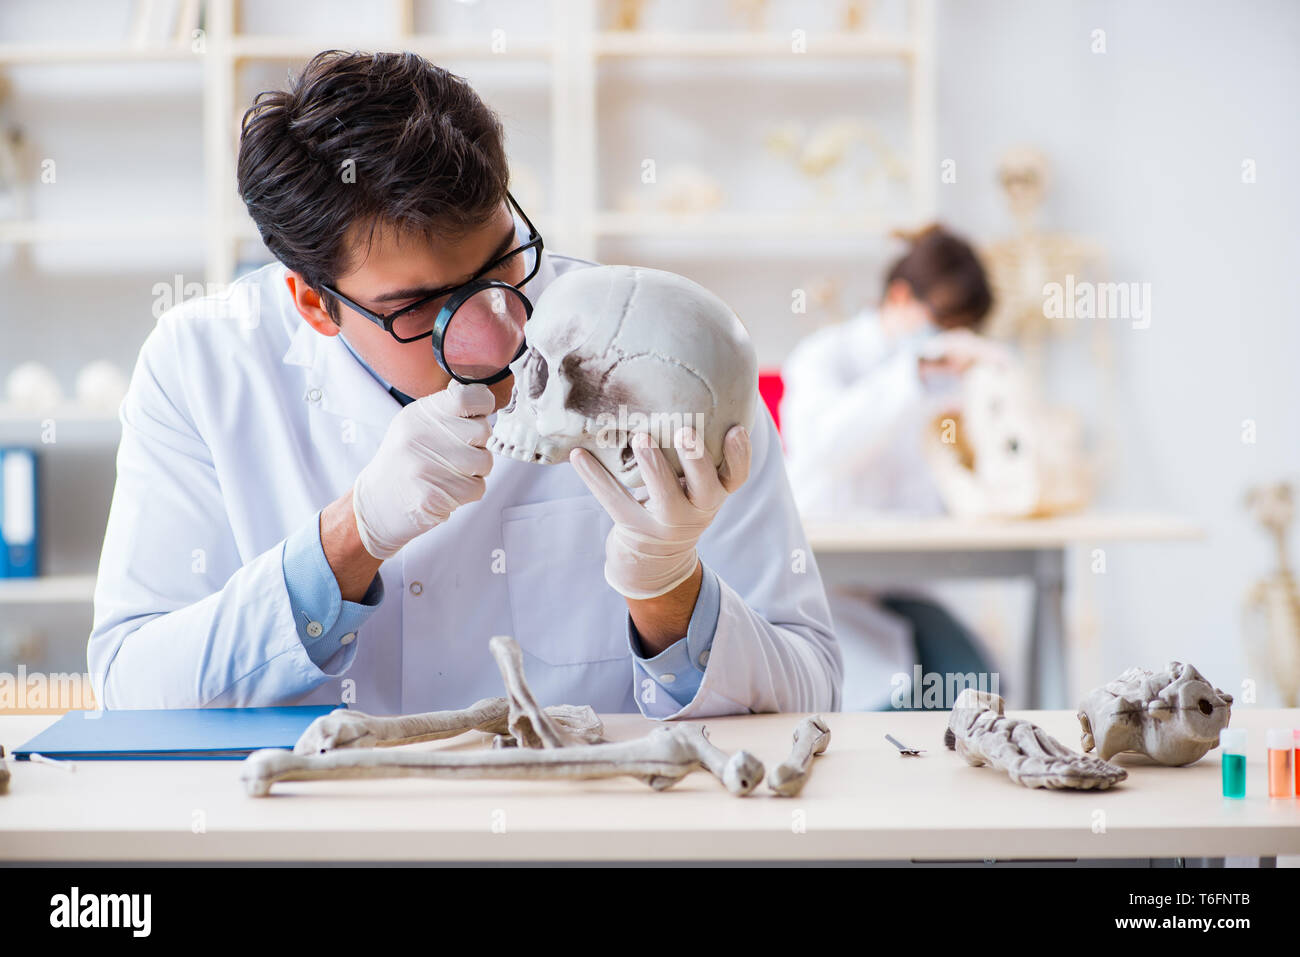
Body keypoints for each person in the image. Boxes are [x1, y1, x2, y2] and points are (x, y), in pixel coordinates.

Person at [87, 51, 841, 718]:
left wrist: (666, 588)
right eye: (416, 307)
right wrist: (351, 535)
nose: (494, 336)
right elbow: (130, 684)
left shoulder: (659, 344)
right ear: (314, 304)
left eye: (501, 267)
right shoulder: (203, 364)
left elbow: (814, 690)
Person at [779, 225, 1001, 711]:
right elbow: (824, 446)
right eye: (942, 321)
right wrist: (913, 375)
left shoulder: (943, 382)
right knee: (888, 705)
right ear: (900, 297)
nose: (946, 339)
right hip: (827, 589)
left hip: (903, 583)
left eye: (962, 329)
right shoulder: (824, 357)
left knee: (980, 686)